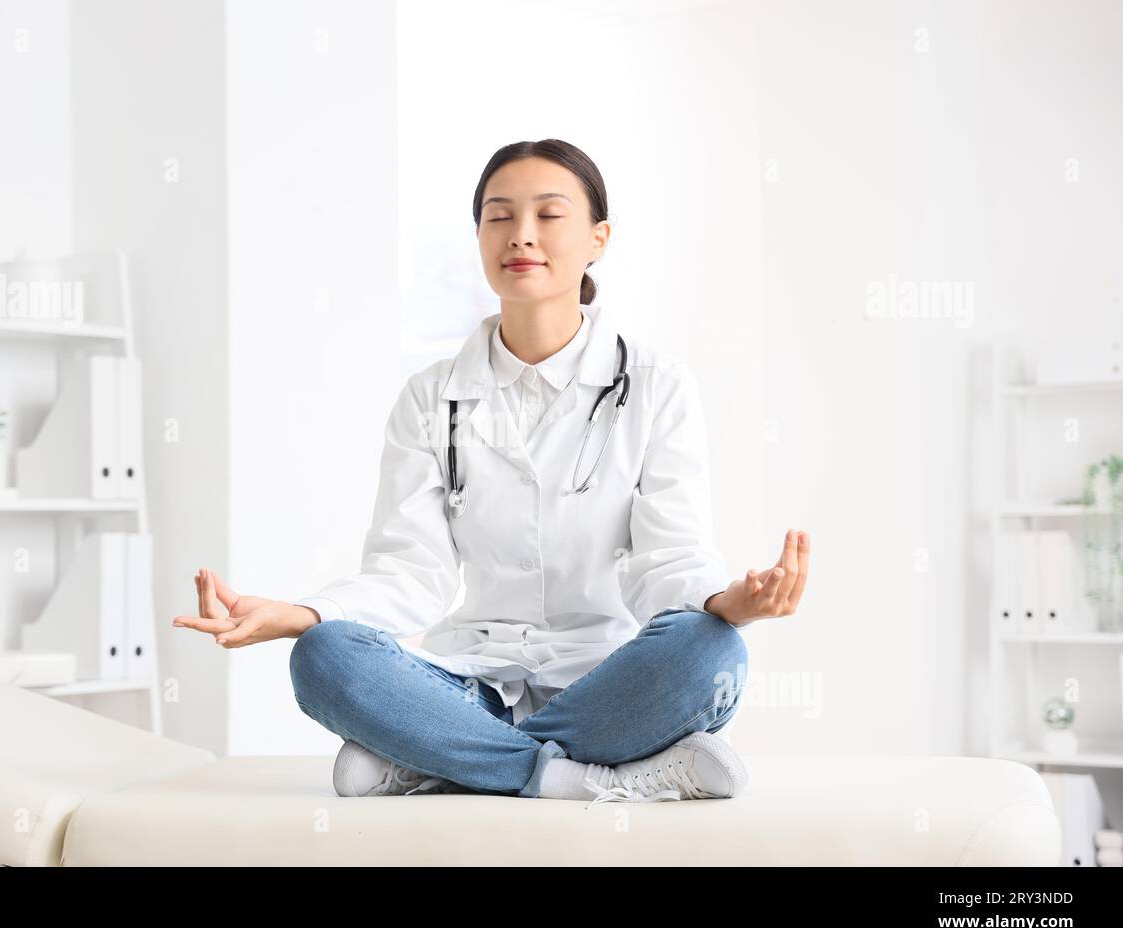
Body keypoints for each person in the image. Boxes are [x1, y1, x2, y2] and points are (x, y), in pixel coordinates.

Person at [174, 138, 810, 806]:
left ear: (599, 237)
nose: (521, 235)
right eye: (500, 216)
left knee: (709, 653)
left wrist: (727, 603)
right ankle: (575, 775)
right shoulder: (430, 396)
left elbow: (669, 559)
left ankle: (439, 761)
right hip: (470, 682)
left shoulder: (656, 386)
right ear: (479, 235)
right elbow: (410, 575)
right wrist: (302, 613)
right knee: (325, 656)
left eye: (549, 214)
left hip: (609, 679)